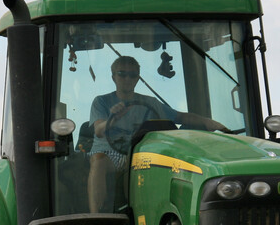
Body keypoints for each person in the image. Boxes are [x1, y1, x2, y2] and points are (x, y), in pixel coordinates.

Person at [87, 56, 226, 212]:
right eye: (122, 74)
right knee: (98, 159)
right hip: (110, 153)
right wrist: (112, 119)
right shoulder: (102, 102)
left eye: (132, 75)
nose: (127, 78)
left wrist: (208, 122)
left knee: (151, 163)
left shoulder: (150, 103)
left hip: (140, 153)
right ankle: (96, 217)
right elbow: (98, 130)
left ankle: (140, 215)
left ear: (137, 79)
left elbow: (180, 117)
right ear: (114, 77)